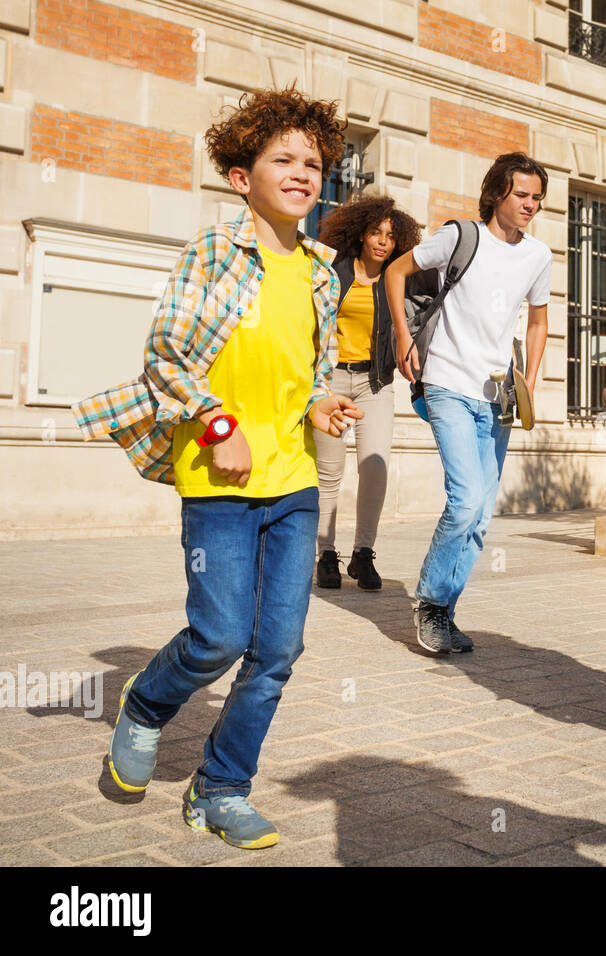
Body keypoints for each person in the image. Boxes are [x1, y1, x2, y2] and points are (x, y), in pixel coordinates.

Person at [73, 87, 360, 849]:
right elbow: (166, 355)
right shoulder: (213, 252)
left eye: (314, 162)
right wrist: (220, 423)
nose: (304, 173)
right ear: (242, 177)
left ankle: (221, 789)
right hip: (219, 478)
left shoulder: (322, 273)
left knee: (278, 650)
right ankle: (146, 703)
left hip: (292, 481)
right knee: (220, 636)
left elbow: (304, 368)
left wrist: (320, 405)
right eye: (283, 159)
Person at [383, 152, 551, 656]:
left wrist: (531, 379)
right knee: (463, 502)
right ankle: (430, 604)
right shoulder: (460, 237)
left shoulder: (538, 256)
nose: (530, 205)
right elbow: (395, 272)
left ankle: (445, 613)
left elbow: (539, 320)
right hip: (447, 383)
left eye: (537, 198)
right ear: (497, 193)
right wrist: (400, 335)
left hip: (496, 395)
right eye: (522, 195)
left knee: (480, 514)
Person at [313, 195, 437, 592]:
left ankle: (363, 553)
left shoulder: (399, 279)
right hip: (333, 380)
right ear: (361, 234)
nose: (383, 241)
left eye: (390, 235)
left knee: (375, 466)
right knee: (329, 472)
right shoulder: (335, 271)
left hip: (375, 382)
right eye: (375, 232)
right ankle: (326, 555)